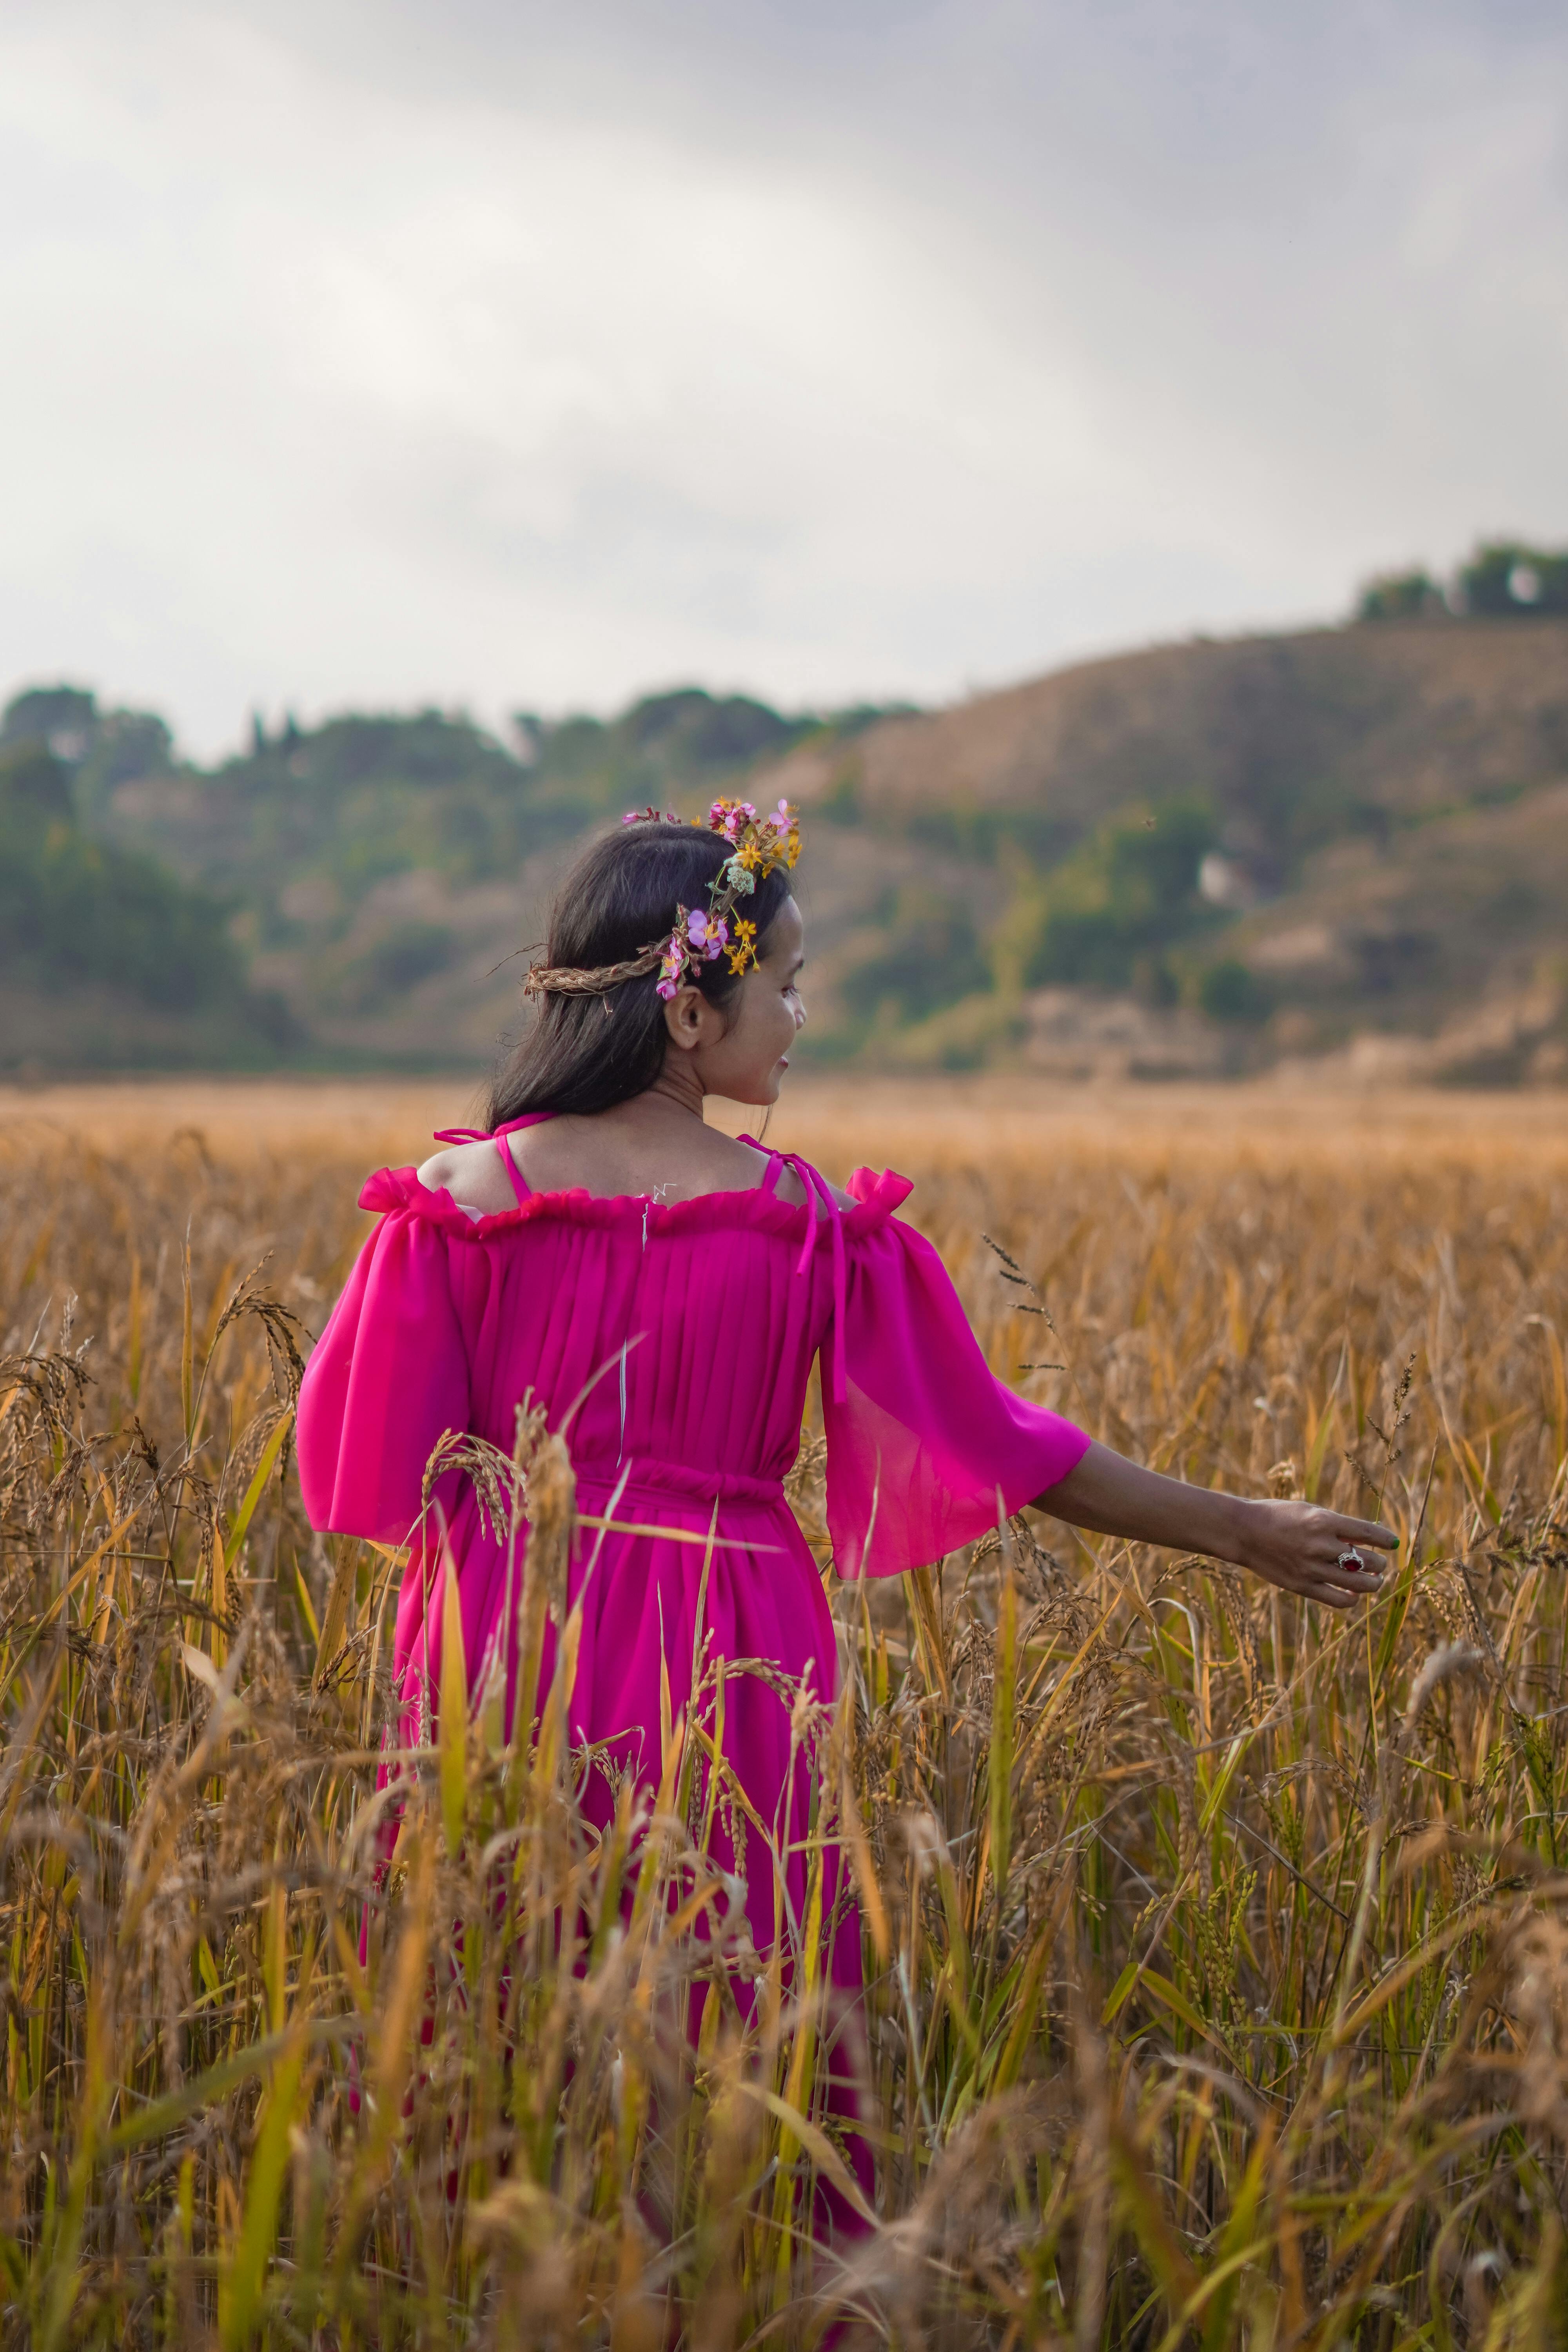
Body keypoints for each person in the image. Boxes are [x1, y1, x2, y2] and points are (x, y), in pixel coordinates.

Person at [295, 800, 1395, 2217]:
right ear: (688, 1010)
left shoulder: (459, 1202)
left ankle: (465, 2277)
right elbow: (998, 1442)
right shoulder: (805, 1225)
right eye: (788, 983)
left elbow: (364, 1459)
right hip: (730, 1655)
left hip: (501, 1645)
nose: (801, 1018)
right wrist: (1240, 1525)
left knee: (487, 1997)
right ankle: (736, 2286)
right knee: (736, 2023)